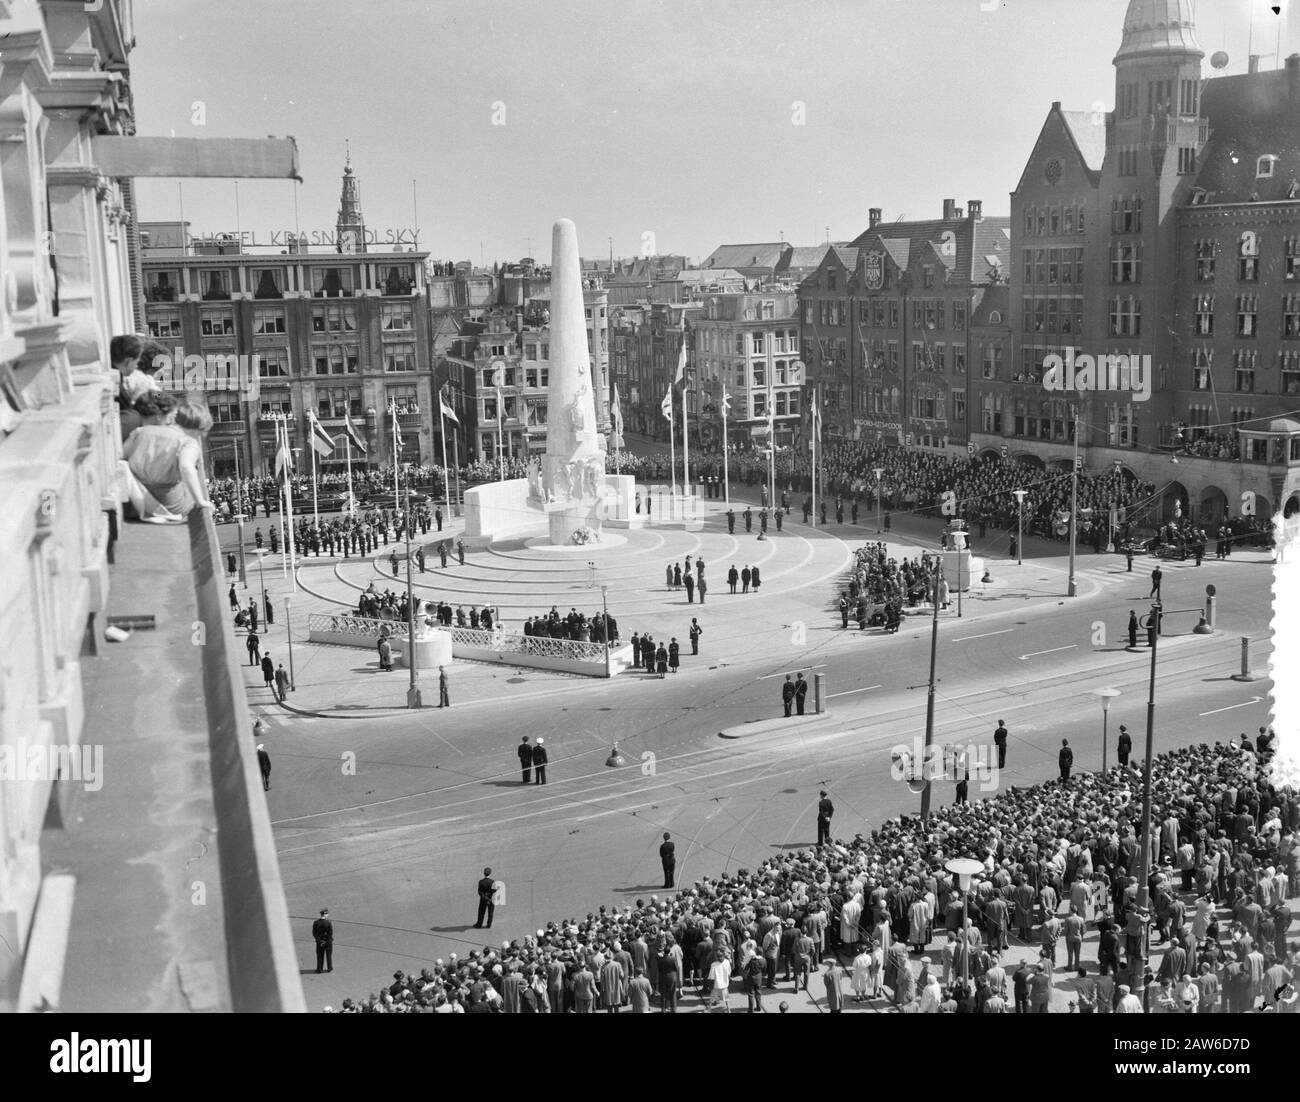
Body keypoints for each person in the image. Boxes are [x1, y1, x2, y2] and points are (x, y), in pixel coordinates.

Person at [121, 393, 216, 522]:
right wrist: (200, 500)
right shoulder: (188, 443)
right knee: (192, 489)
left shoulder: (142, 431)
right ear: (197, 429)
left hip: (134, 499)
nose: (203, 436)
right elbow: (186, 468)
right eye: (203, 432)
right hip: (169, 504)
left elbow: (122, 456)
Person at [313, 909, 334, 973]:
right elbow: (330, 934)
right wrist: (327, 942)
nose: (328, 915)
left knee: (320, 956)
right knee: (329, 955)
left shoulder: (316, 922)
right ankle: (329, 968)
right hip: (328, 942)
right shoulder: (328, 923)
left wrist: (320, 941)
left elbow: (314, 933)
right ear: (325, 914)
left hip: (320, 942)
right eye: (327, 914)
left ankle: (319, 969)